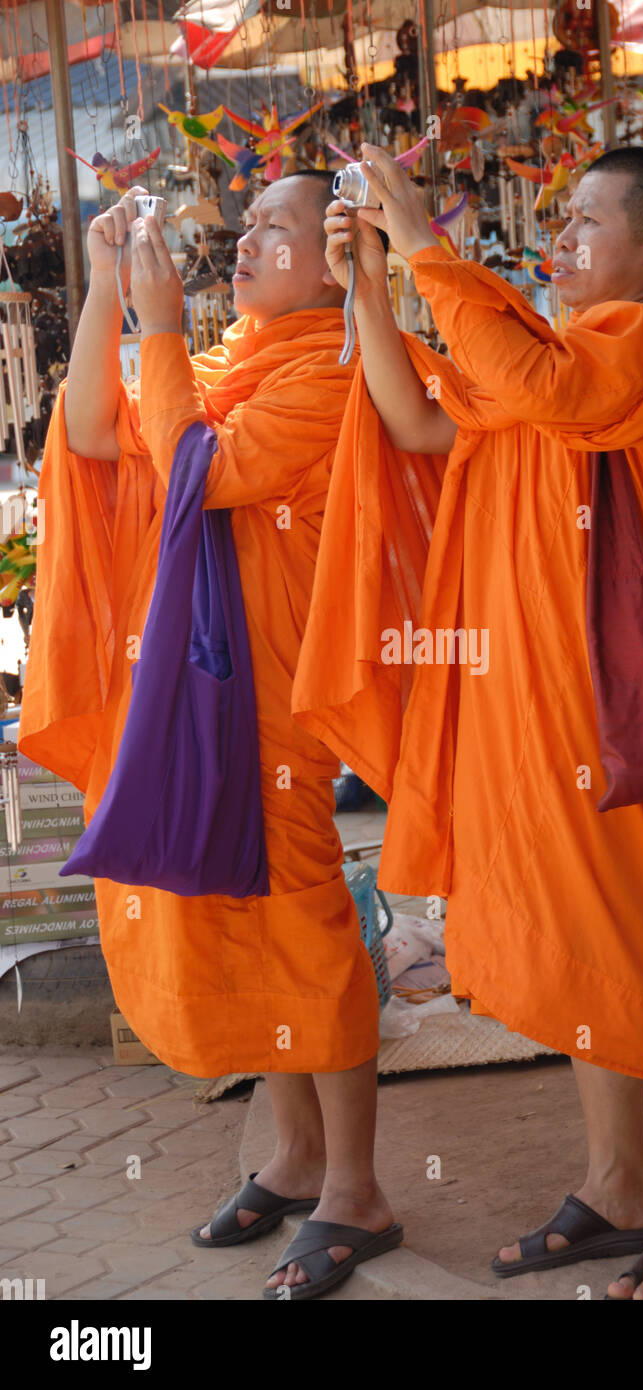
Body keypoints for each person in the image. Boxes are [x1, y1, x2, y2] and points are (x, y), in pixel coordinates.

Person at [292, 145, 643, 1299]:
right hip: (529, 707)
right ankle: (619, 1182)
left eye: (589, 220)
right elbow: (416, 418)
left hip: (625, 707)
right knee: (579, 936)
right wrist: (370, 281)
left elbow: (553, 395)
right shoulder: (534, 361)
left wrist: (425, 241)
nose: (562, 236)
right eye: (561, 216)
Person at [18, 172, 402, 1300]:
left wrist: (162, 331)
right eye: (243, 231)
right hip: (191, 681)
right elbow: (95, 433)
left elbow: (202, 469)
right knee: (233, 911)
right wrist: (104, 298)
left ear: (334, 263)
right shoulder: (232, 358)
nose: (244, 247)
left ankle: (359, 1190)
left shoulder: (331, 369)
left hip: (276, 691)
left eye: (274, 231)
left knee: (304, 919)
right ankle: (291, 1157)